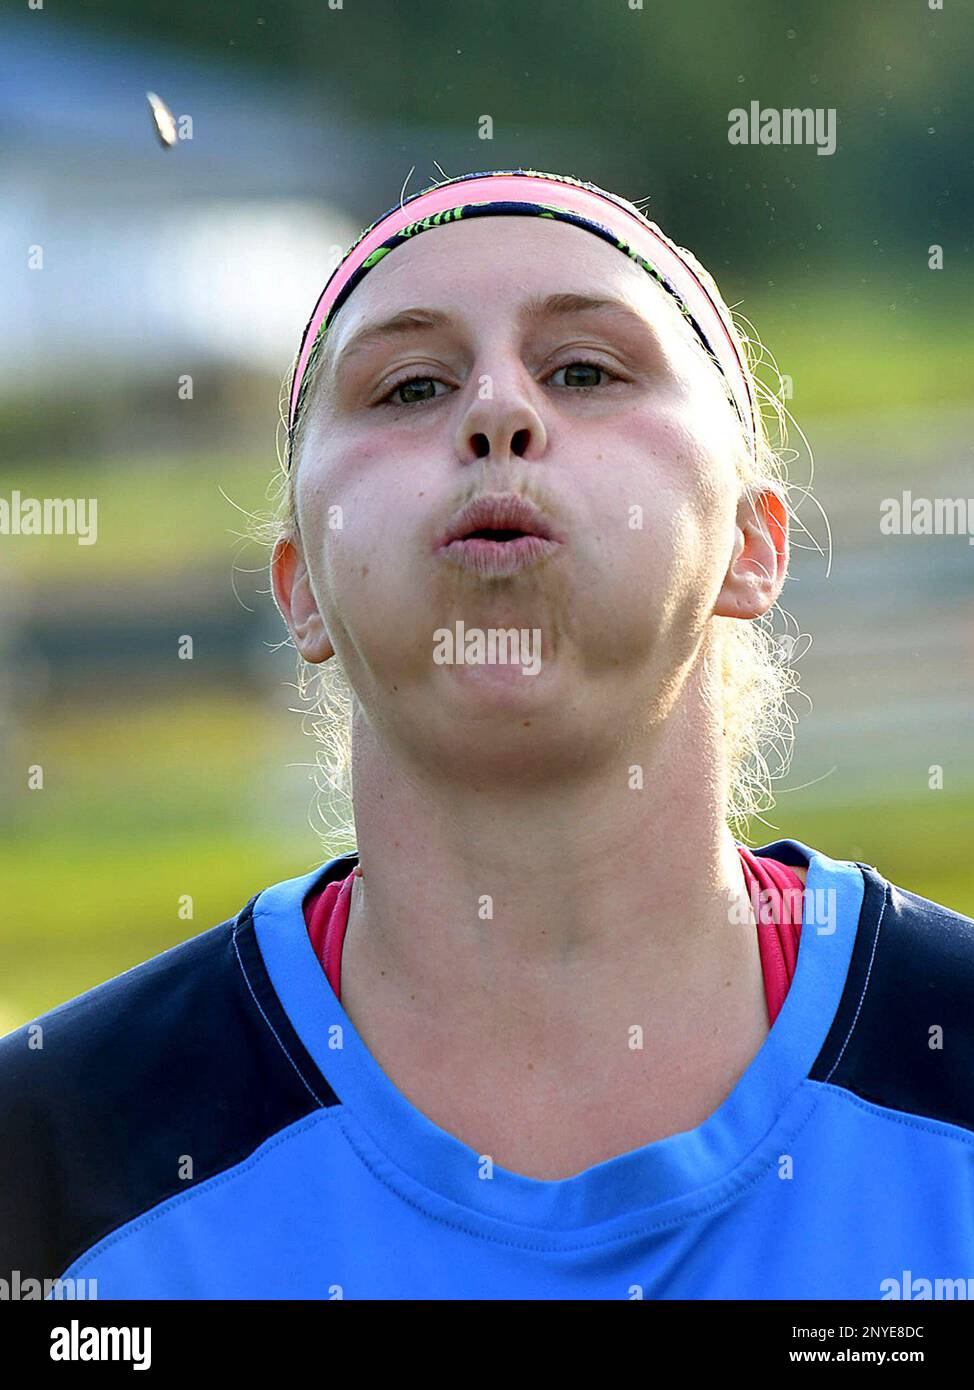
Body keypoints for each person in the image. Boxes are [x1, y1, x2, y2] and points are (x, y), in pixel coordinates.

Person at [2, 168, 972, 1301]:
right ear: (299, 588)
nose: (495, 413)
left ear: (753, 545)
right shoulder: (52, 1163)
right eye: (410, 386)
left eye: (581, 370)